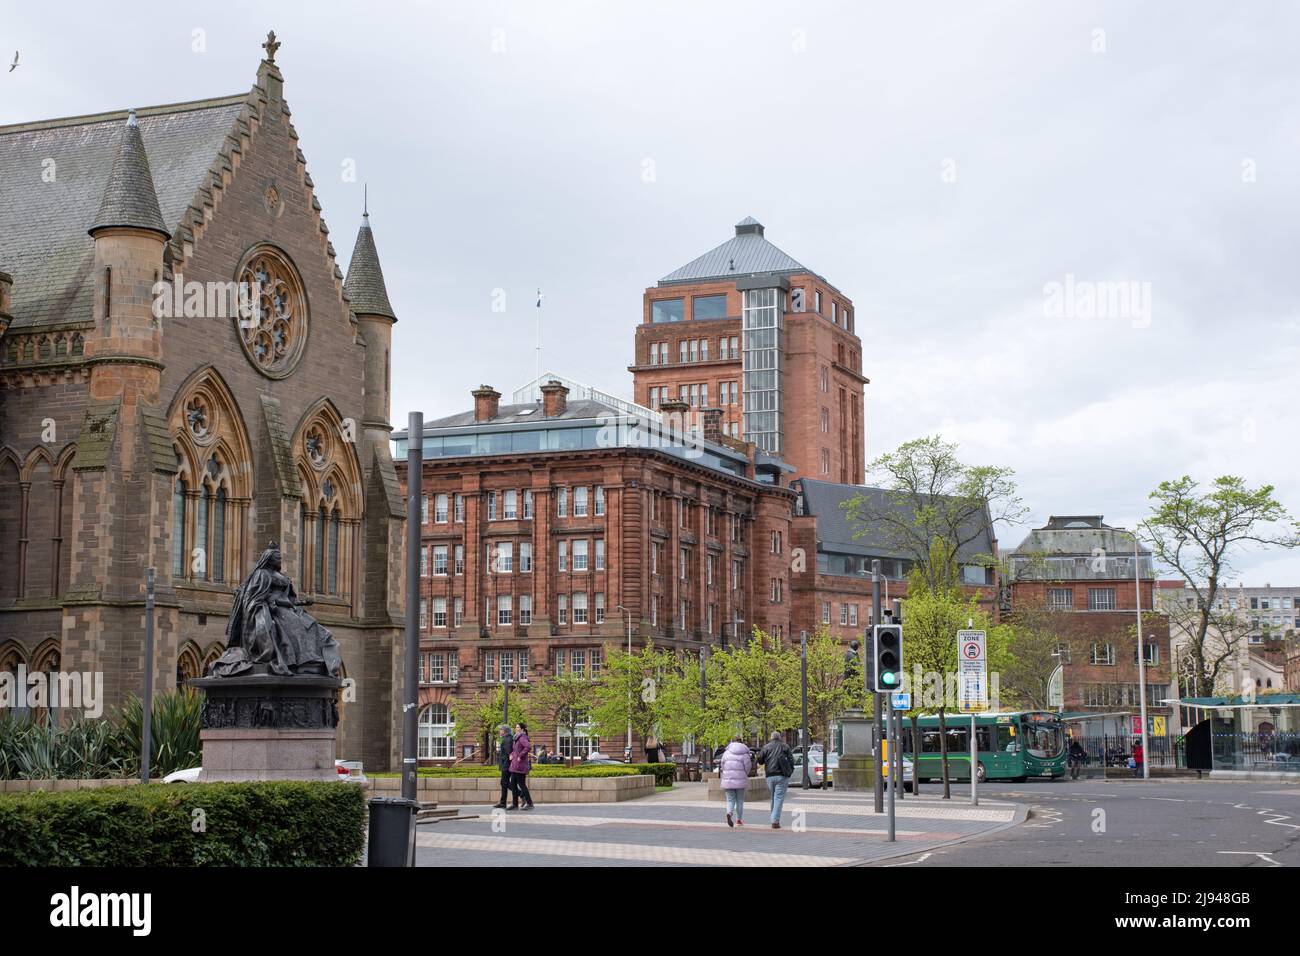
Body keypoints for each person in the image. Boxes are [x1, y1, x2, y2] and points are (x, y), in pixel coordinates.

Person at [756, 731, 794, 829]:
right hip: (782, 775)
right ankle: (775, 821)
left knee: (773, 798)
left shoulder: (766, 747)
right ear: (779, 737)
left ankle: (774, 818)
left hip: (769, 775)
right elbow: (791, 760)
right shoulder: (785, 747)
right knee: (778, 798)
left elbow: (760, 760)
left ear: (771, 737)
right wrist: (790, 772)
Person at [719, 735, 752, 828]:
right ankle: (739, 820)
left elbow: (722, 765)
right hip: (740, 781)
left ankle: (729, 813)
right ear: (741, 742)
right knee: (740, 801)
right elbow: (748, 766)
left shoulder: (726, 753)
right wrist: (745, 774)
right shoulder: (745, 753)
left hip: (728, 780)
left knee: (730, 800)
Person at [509, 721, 535, 810]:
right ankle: (515, 804)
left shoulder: (522, 737)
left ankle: (530, 803)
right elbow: (515, 750)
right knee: (513, 784)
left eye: (518, 728)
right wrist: (512, 754)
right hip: (514, 765)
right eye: (516, 727)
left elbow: (528, 747)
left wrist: (520, 755)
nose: (516, 729)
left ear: (522, 729)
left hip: (520, 765)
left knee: (522, 784)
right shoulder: (516, 738)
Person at [492, 724, 513, 809]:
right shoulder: (507, 738)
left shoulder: (507, 739)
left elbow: (508, 753)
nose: (499, 731)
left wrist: (505, 764)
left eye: (501, 730)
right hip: (506, 764)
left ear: (505, 731)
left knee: (505, 783)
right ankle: (503, 802)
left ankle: (521, 795)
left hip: (506, 765)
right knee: (504, 783)